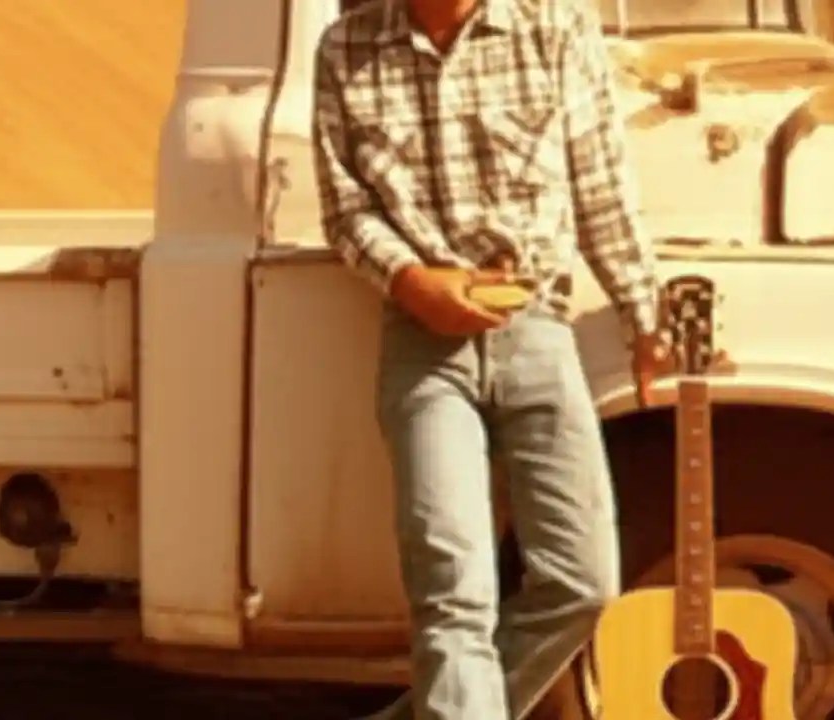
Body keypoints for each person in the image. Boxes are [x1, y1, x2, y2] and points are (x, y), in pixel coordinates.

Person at [311, 0, 666, 717]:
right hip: (424, 344)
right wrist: (413, 282)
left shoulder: (555, 29)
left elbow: (601, 188)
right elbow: (345, 208)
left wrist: (646, 314)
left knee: (584, 583)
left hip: (536, 328)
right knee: (452, 590)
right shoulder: (345, 47)